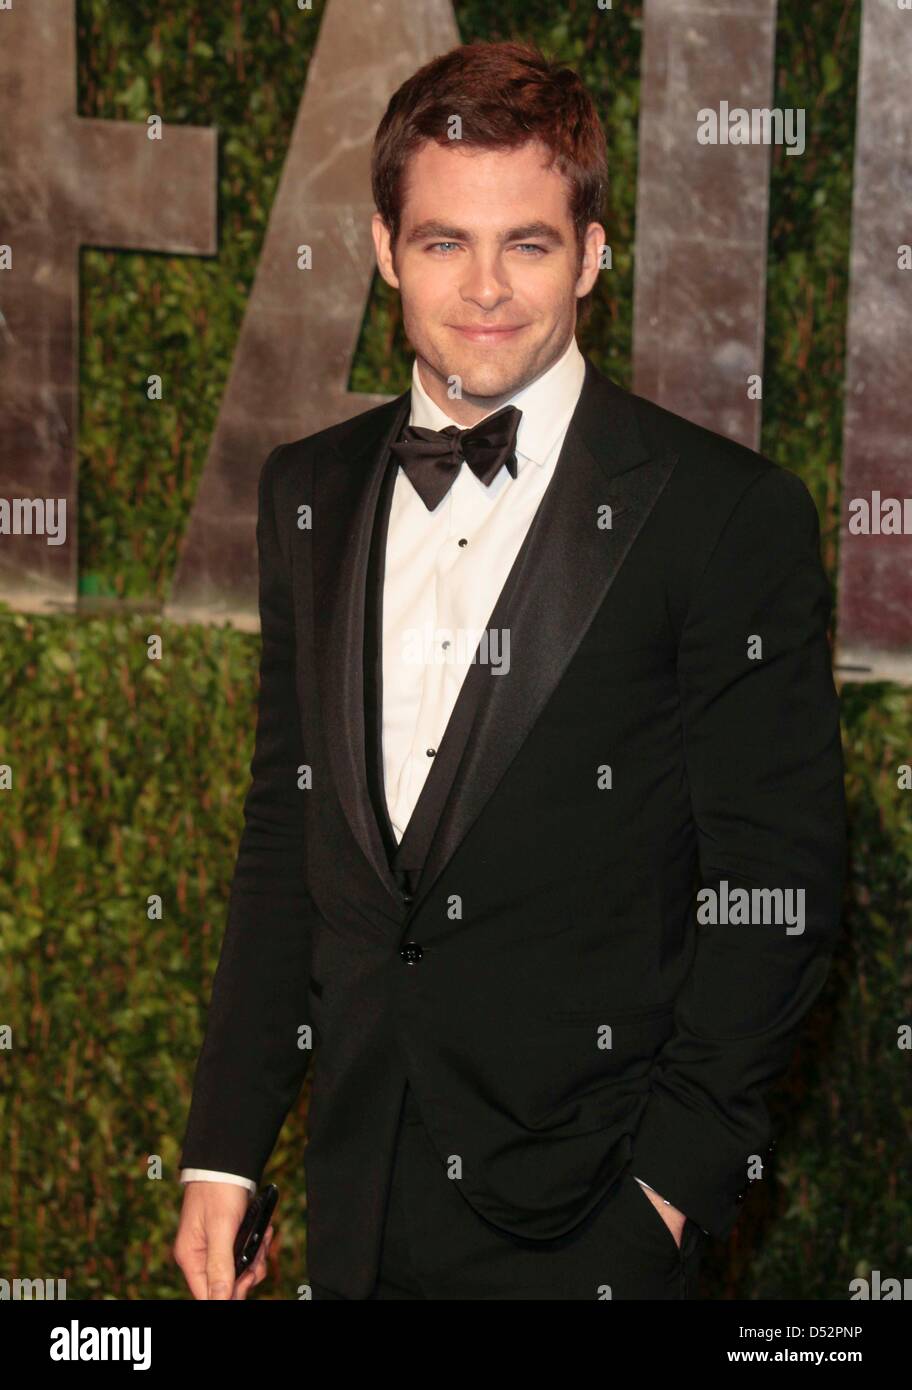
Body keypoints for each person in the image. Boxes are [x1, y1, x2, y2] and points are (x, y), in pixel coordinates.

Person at [173, 40, 847, 1300]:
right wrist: (225, 1148)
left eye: (528, 243)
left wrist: (667, 1197)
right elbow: (290, 837)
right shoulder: (307, 492)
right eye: (443, 242)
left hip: (593, 1213)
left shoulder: (721, 515)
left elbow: (779, 889)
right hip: (359, 1192)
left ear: (593, 252)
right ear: (383, 247)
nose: (485, 288)